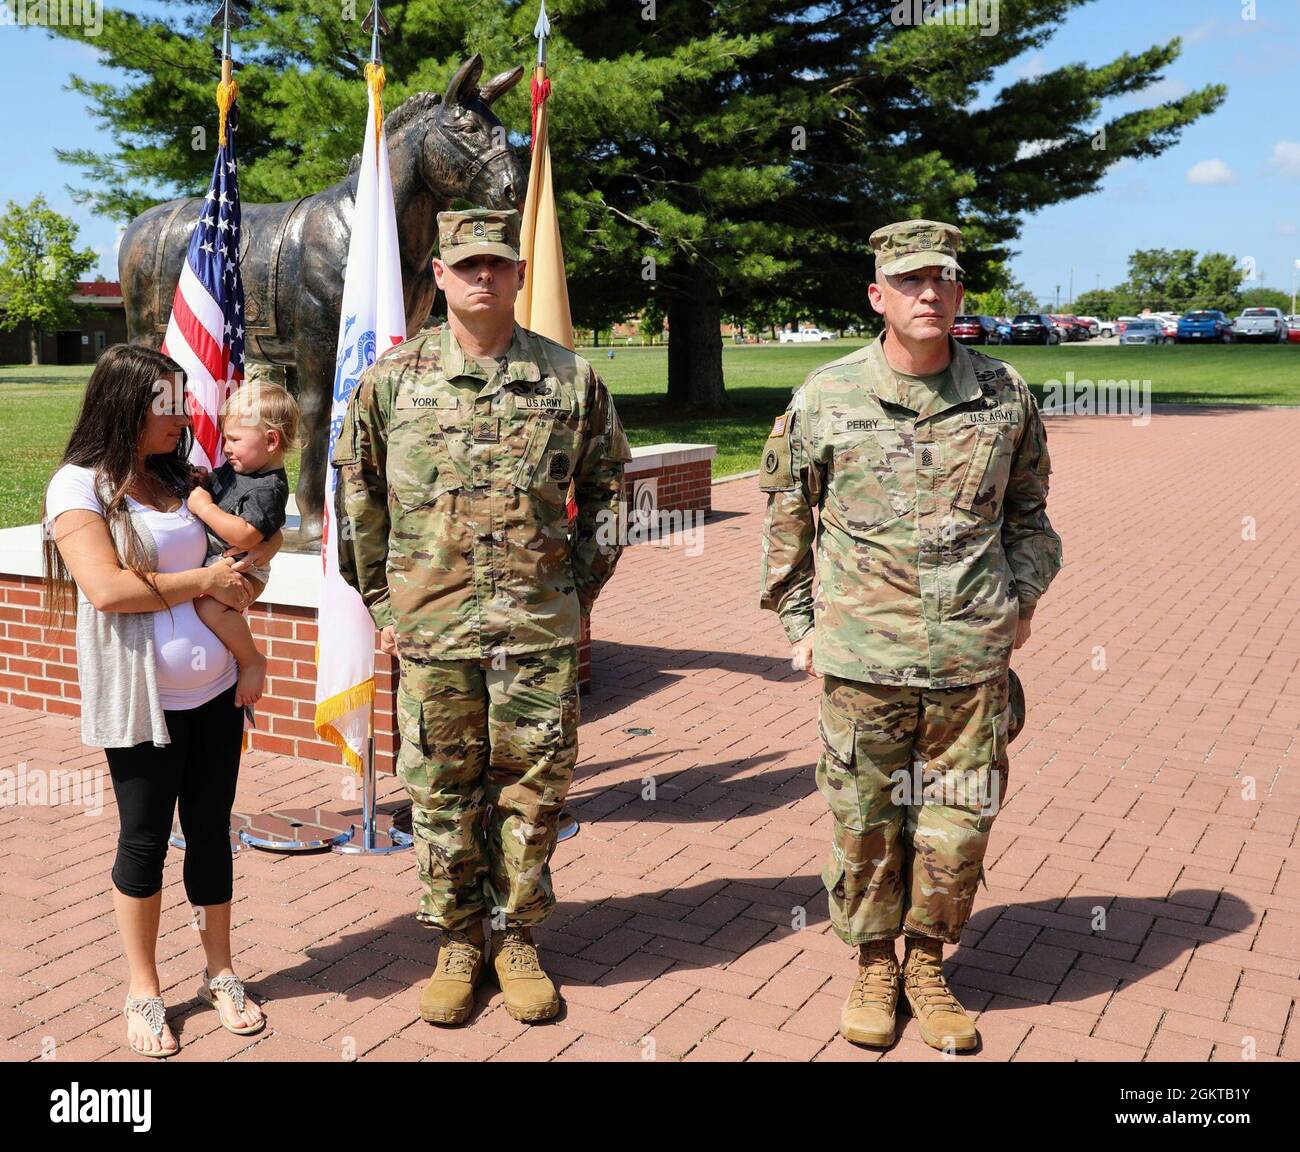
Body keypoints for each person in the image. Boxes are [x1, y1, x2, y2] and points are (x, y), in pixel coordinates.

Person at [758, 219, 1063, 1052]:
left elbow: (1031, 520)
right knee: (864, 825)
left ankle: (927, 961)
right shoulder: (826, 396)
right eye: (910, 281)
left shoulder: (1004, 394)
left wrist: (1019, 599)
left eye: (944, 280)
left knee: (956, 824)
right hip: (861, 661)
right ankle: (872, 962)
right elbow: (788, 522)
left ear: (961, 293)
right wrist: (799, 623)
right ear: (878, 295)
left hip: (970, 664)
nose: (929, 294)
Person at [332, 208, 632, 1025]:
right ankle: (458, 941)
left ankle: (518, 936)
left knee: (533, 795)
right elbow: (356, 494)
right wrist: (383, 599)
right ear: (439, 275)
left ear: (519, 274)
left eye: (498, 264)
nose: (483, 278)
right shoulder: (392, 382)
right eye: (467, 265)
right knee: (440, 793)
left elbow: (611, 491)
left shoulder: (571, 381)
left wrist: (577, 588)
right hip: (435, 633)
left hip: (535, 631)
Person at [42, 344, 278, 1056]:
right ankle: (143, 989)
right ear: (127, 407)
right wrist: (203, 583)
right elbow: (108, 590)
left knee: (211, 835)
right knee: (143, 842)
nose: (184, 416)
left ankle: (220, 971)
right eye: (168, 405)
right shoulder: (79, 486)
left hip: (214, 696)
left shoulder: (181, 476)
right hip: (144, 706)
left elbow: (239, 558)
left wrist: (240, 583)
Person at [187, 380, 297, 707]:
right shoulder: (243, 468)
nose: (226, 448)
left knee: (209, 606)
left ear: (271, 440)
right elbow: (219, 486)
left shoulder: (268, 486)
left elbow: (247, 535)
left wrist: (203, 506)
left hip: (248, 571)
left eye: (234, 439)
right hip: (222, 564)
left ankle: (251, 660)